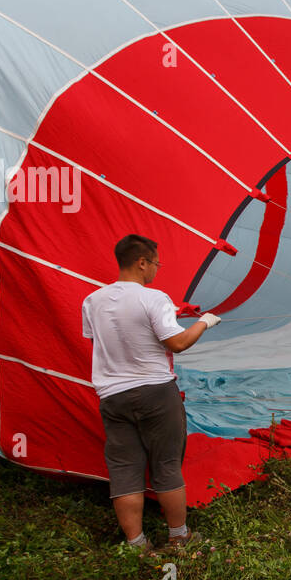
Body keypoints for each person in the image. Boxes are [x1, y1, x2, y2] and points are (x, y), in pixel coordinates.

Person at [81, 234, 221, 552]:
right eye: (156, 263)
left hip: (112, 396)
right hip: (156, 392)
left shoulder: (92, 301)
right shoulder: (154, 297)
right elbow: (178, 344)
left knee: (124, 469)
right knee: (167, 465)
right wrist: (204, 322)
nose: (157, 270)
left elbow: (103, 343)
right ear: (142, 262)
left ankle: (136, 545)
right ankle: (179, 538)